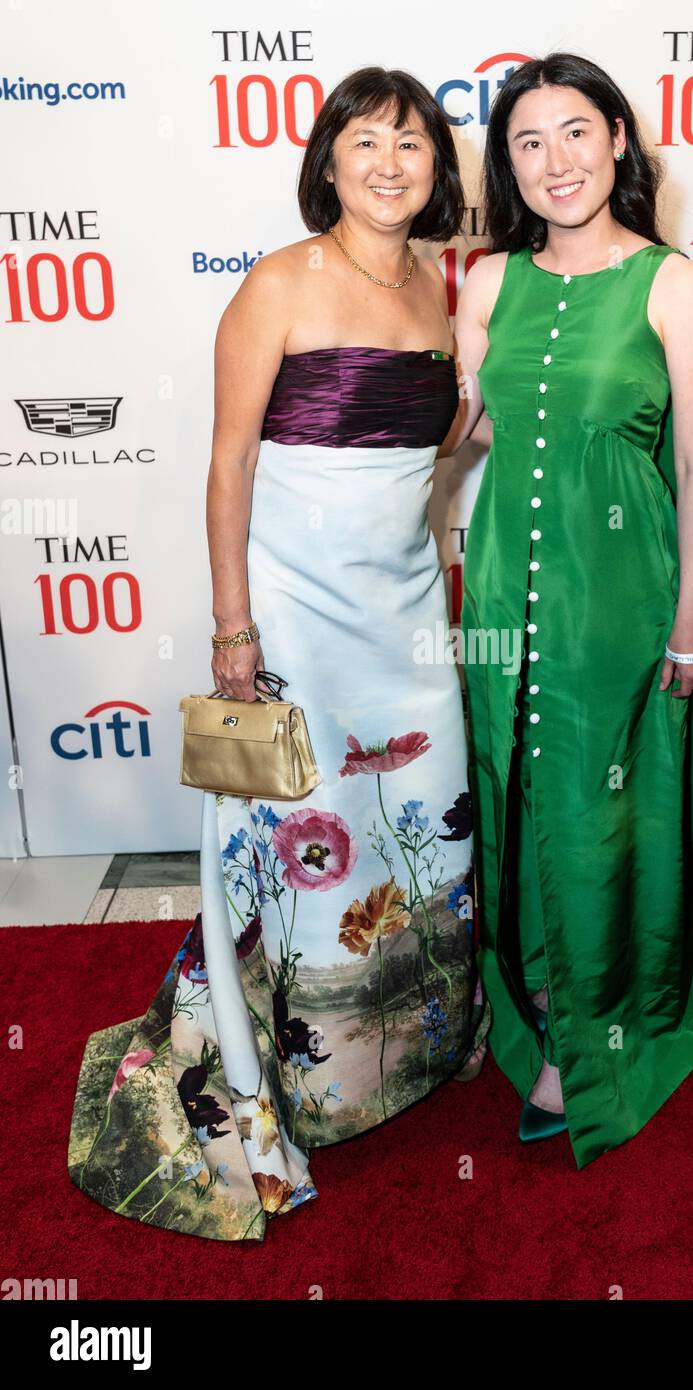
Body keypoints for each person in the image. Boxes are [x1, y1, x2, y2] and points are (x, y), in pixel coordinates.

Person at [67, 66, 489, 1240]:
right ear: (328, 162)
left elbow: (438, 439)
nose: (391, 163)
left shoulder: (440, 291)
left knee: (424, 817)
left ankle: (410, 1049)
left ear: (435, 169)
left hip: (407, 614)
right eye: (366, 143)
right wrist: (232, 626)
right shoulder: (275, 284)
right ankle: (298, 1075)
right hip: (294, 618)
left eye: (412, 144)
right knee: (307, 841)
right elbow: (229, 466)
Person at [449, 52, 693, 1167]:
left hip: (614, 592)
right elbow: (471, 433)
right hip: (502, 594)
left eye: (576, 132)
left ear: (618, 139)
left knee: (591, 809)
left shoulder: (672, 282)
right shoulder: (488, 282)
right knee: (510, 795)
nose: (554, 160)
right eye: (527, 142)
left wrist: (688, 620)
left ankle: (589, 1035)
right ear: (506, 165)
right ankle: (517, 991)